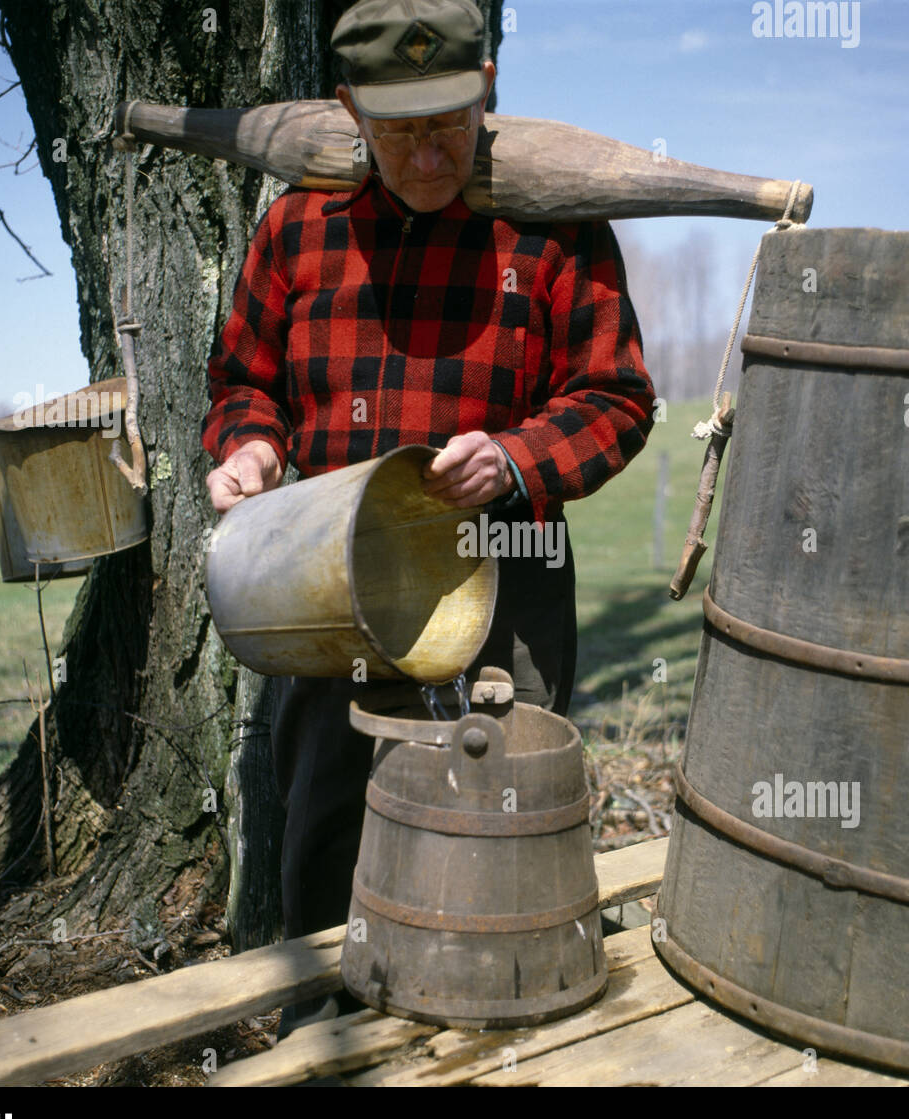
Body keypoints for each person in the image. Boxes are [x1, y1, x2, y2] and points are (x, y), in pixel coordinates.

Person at [202, 0, 655, 1037]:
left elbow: (617, 399)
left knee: (497, 815)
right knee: (325, 815)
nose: (427, 152)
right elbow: (242, 381)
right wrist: (251, 445)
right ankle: (325, 1030)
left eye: (450, 123)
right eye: (399, 129)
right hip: (328, 572)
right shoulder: (299, 226)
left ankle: (498, 1027)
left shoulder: (553, 222)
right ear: (350, 108)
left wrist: (515, 456)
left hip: (506, 567)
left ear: (486, 88)